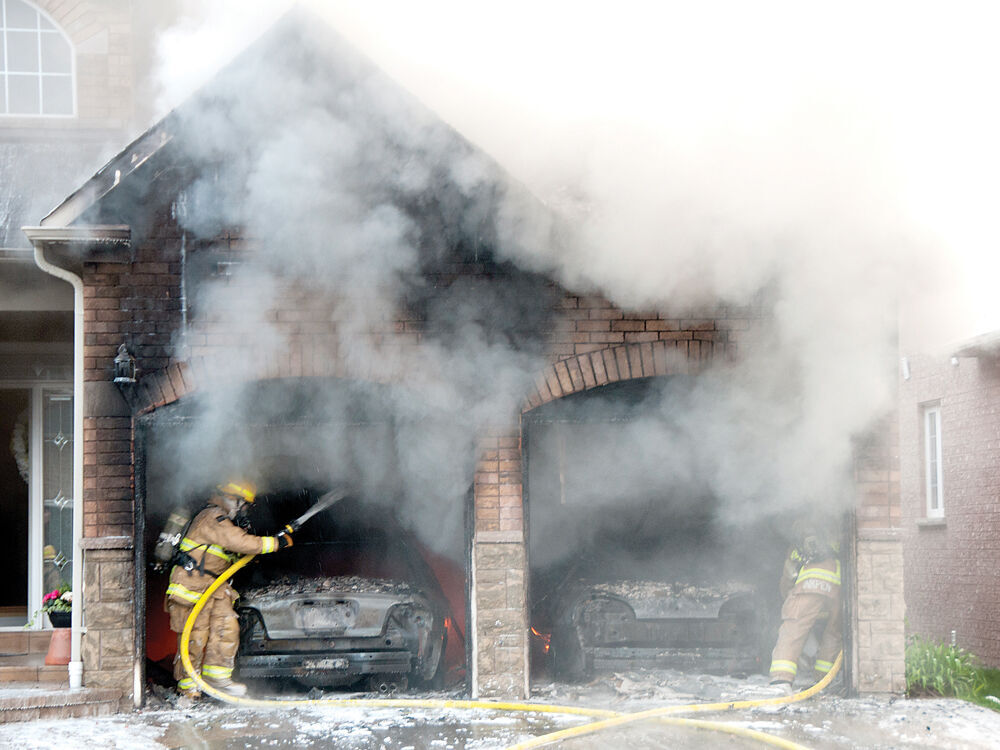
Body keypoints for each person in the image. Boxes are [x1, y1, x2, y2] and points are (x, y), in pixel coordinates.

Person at [166, 481, 293, 699]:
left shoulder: (224, 523)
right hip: (193, 587)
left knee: (227, 630)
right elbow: (240, 542)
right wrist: (275, 543)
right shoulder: (212, 517)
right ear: (231, 499)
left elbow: (234, 553)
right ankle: (188, 688)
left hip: (215, 588)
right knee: (194, 637)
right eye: (242, 505)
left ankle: (217, 679)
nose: (243, 510)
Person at [768, 517, 842, 689]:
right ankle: (823, 679)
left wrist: (788, 598)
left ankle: (781, 679)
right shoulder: (836, 536)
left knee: (794, 628)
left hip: (810, 586)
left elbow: (787, 579)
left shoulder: (795, 549)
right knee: (834, 633)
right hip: (838, 586)